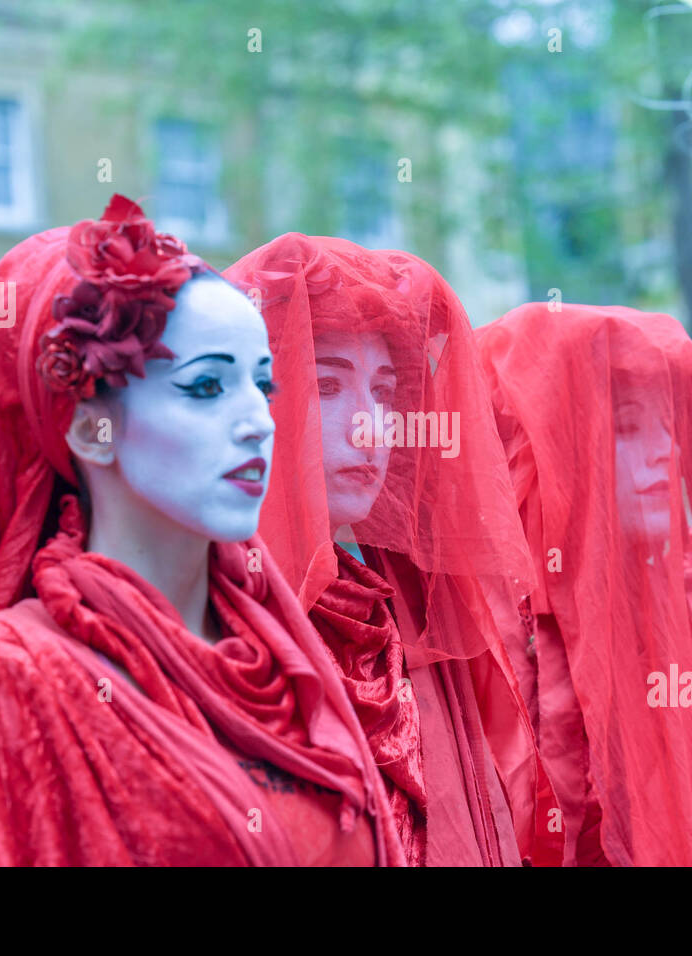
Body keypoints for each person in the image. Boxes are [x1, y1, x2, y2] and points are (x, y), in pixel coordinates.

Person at [0, 196, 404, 866]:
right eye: (205, 388)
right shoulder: (0, 675)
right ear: (88, 428)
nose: (259, 422)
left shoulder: (289, 659)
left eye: (263, 386)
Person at [225, 234, 560, 866]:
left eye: (384, 392)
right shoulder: (205, 621)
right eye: (326, 387)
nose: (371, 427)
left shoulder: (404, 618)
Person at [474, 302, 692, 865]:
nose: (664, 453)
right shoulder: (480, 638)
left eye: (667, 425)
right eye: (627, 427)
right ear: (544, 445)